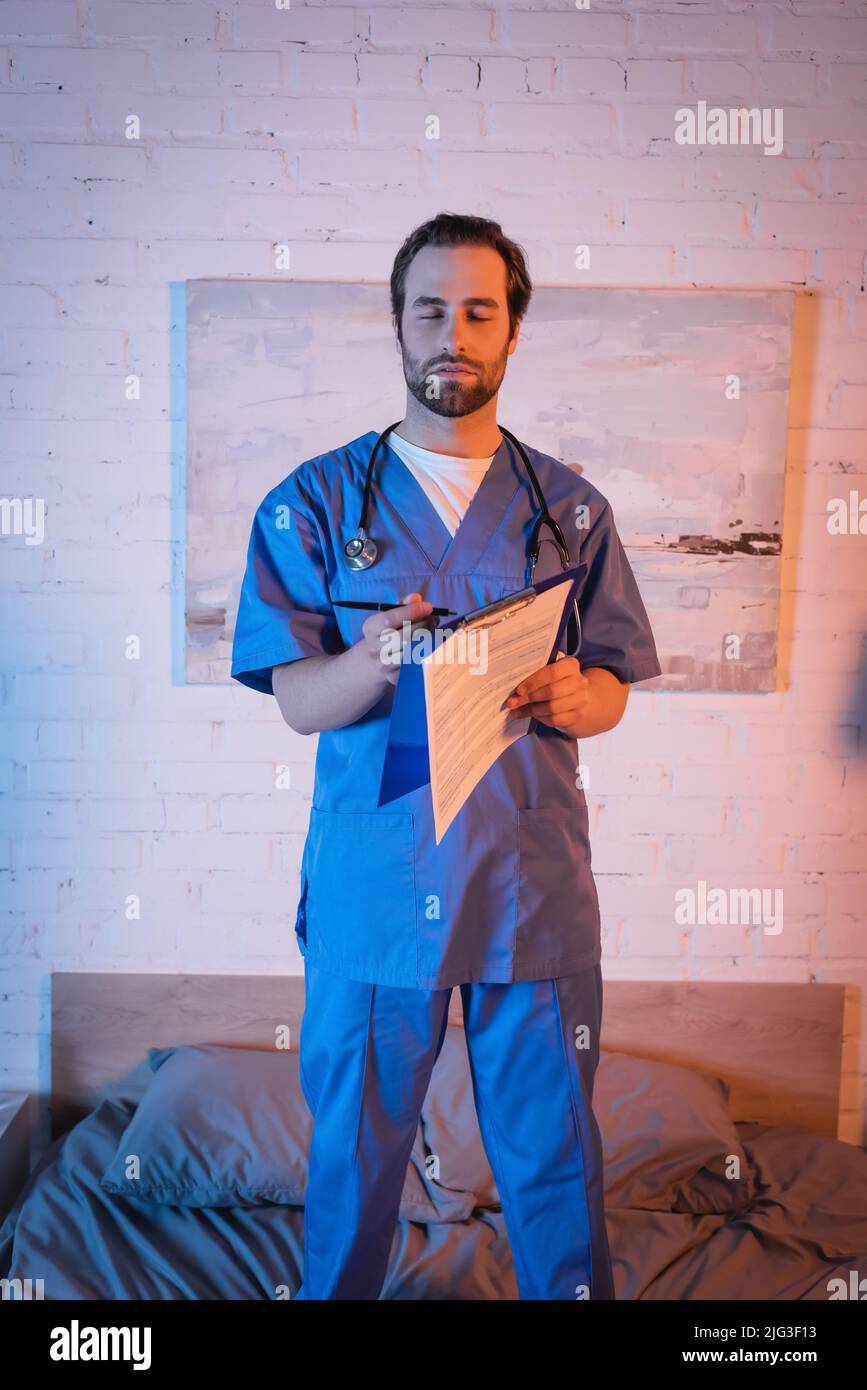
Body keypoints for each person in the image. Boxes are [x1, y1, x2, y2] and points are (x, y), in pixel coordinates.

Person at [231, 212, 662, 1300]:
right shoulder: (318, 501)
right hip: (380, 886)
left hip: (533, 886)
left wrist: (583, 691)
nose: (454, 332)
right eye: (432, 308)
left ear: (513, 330)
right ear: (398, 324)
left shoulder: (573, 508)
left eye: (481, 309)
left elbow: (612, 682)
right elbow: (296, 700)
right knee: (354, 1167)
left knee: (555, 1165)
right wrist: (372, 658)